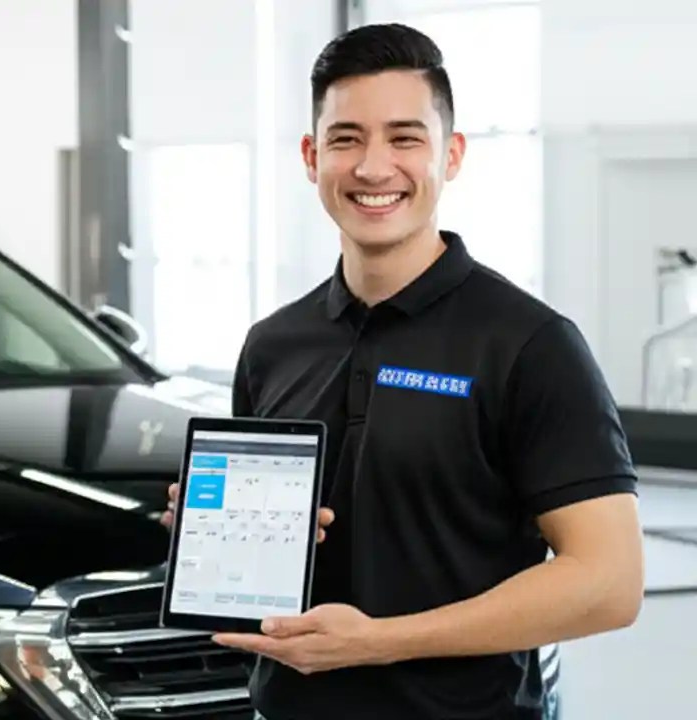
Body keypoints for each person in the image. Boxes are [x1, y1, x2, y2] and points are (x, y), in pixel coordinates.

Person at [160, 22, 644, 720]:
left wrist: (380, 643)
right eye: (346, 138)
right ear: (311, 157)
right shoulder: (273, 346)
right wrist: (219, 529)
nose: (373, 167)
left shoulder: (530, 344)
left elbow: (610, 583)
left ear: (451, 155)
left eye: (404, 138)